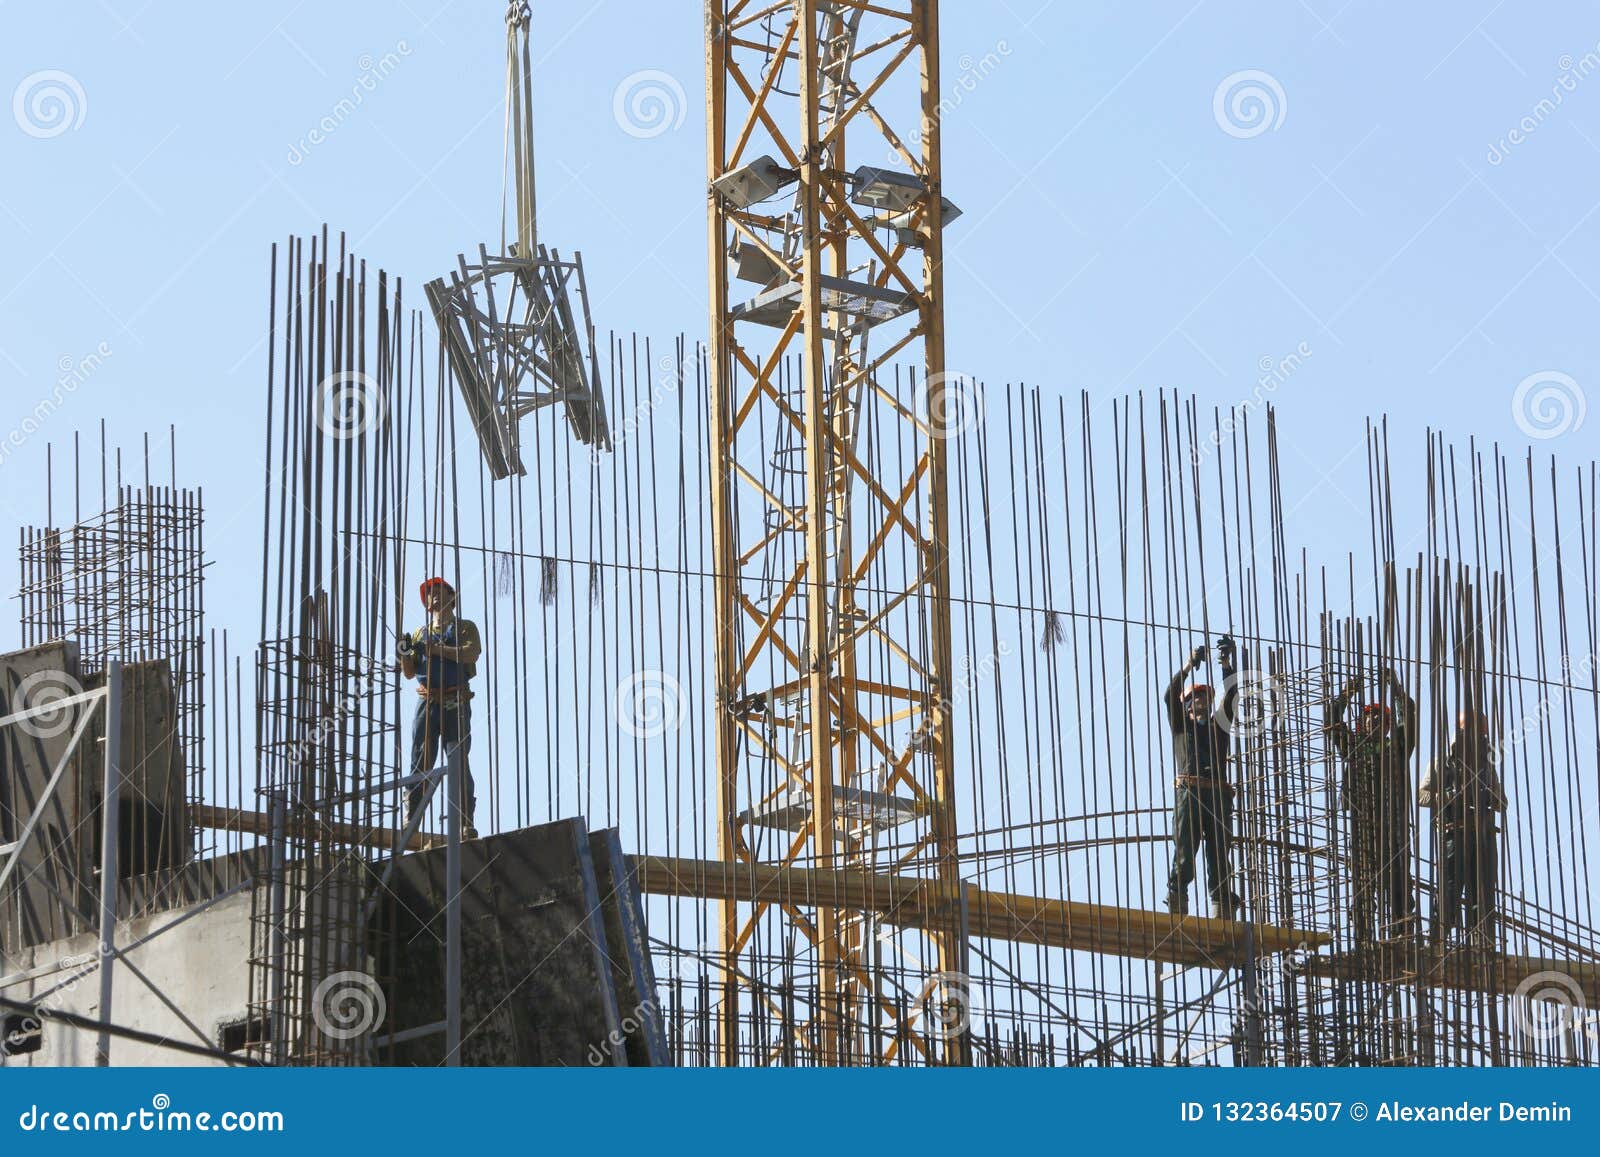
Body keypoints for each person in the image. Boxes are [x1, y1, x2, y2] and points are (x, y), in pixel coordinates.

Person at [1326, 668, 1417, 939]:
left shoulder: (1397, 747)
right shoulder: (1352, 746)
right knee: (1363, 882)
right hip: (1363, 825)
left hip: (1393, 823)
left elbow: (1408, 718)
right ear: (1360, 723)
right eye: (1368, 715)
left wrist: (1396, 689)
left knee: (1398, 881)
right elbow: (1331, 721)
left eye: (1379, 716)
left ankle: (1401, 932)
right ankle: (1364, 936)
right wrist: (1345, 695)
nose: (1374, 719)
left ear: (1388, 725)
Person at [1164, 635, 1242, 919]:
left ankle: (1222, 904)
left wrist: (1226, 665)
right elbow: (1168, 695)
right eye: (1194, 696)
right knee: (1185, 850)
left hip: (1218, 794)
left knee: (1220, 853)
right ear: (1186, 705)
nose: (1200, 700)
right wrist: (1187, 666)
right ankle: (1177, 898)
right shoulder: (1181, 726)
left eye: (1204, 696)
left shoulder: (1218, 726)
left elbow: (1232, 698)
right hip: (1190, 791)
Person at [399, 576, 483, 840]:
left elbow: (471, 653)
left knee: (457, 759)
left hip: (454, 701)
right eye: (430, 593)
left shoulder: (464, 628)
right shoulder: (419, 634)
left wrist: (437, 650)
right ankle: (412, 816)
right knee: (420, 760)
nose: (434, 596)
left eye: (440, 591)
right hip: (427, 701)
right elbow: (410, 673)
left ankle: (464, 822)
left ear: (452, 597)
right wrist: (403, 654)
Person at [1420, 709, 1505, 944]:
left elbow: (1502, 802)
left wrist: (1489, 797)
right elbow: (1421, 796)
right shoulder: (1442, 761)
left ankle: (1482, 942)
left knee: (1484, 894)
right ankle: (1438, 939)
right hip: (1453, 834)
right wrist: (1447, 797)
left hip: (1484, 837)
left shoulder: (1486, 764)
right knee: (1449, 891)